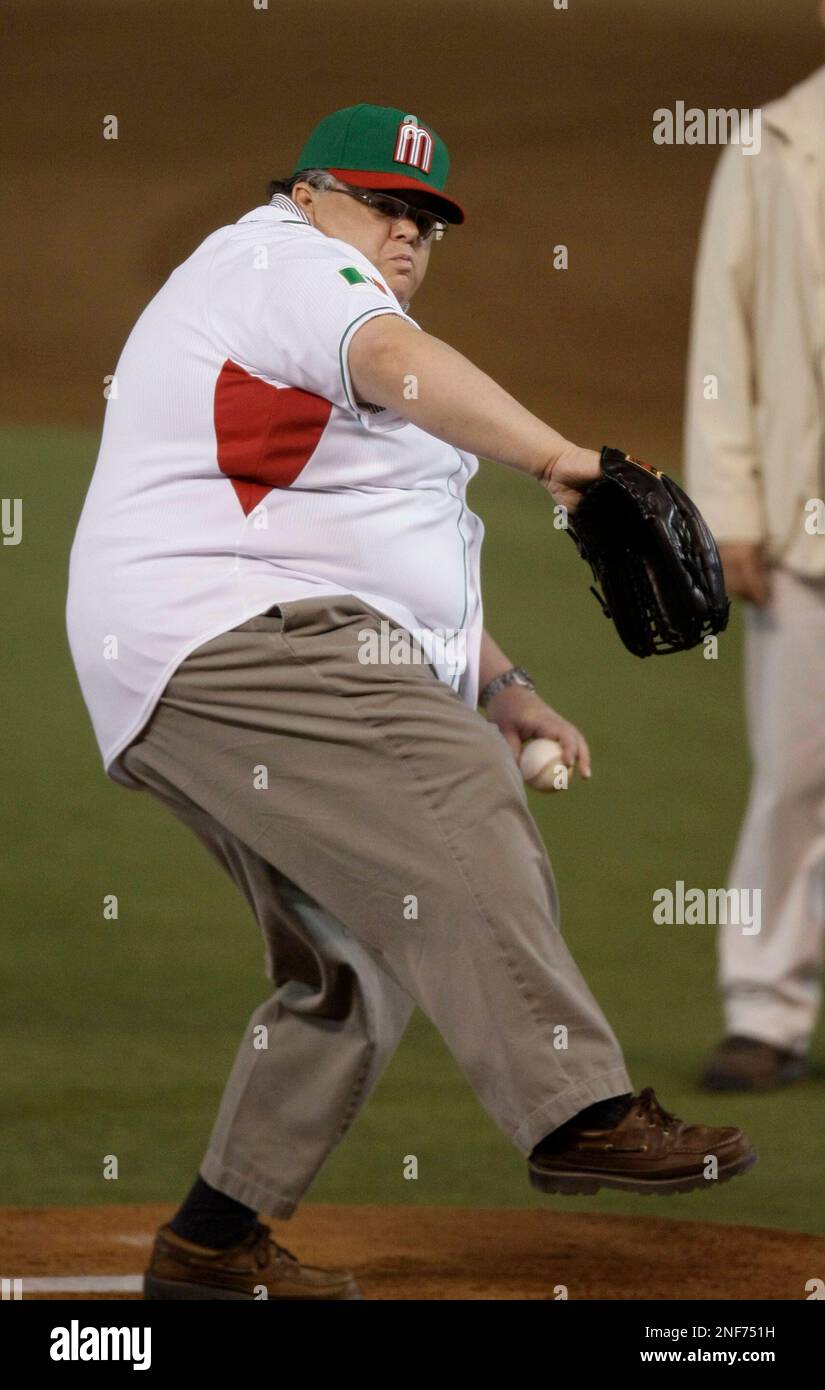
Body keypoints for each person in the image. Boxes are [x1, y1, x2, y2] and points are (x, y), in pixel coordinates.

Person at [67, 103, 754, 1301]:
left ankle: (212, 1241)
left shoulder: (329, 323)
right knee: (454, 788)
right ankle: (576, 1103)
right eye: (384, 203)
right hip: (224, 630)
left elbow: (378, 557)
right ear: (312, 191)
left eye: (427, 219)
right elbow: (394, 363)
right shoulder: (283, 262)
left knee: (357, 949)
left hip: (207, 648)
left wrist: (505, 687)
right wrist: (560, 459)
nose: (406, 232)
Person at [684, 25, 825, 1092]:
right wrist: (728, 503)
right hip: (805, 519)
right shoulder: (773, 143)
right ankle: (767, 1007)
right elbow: (722, 344)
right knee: (795, 778)